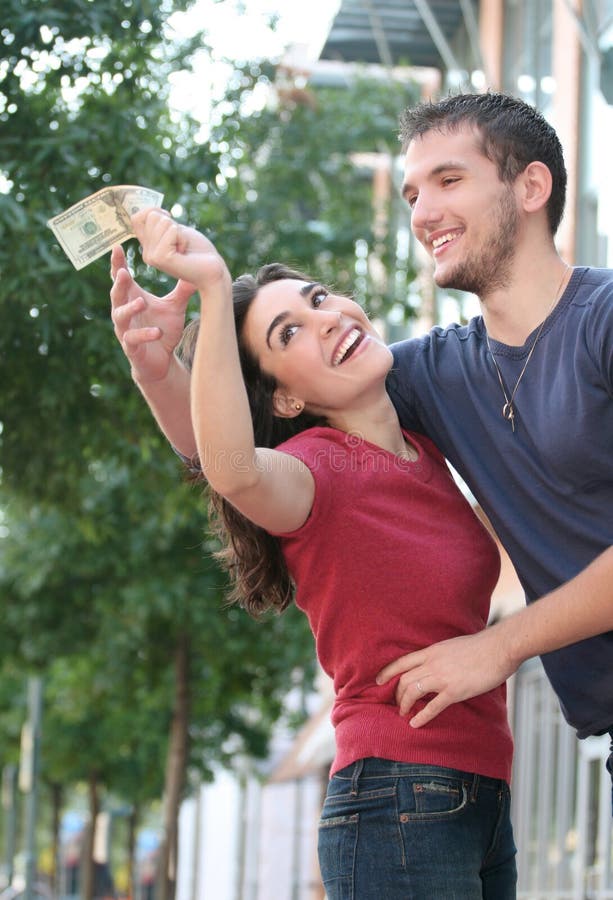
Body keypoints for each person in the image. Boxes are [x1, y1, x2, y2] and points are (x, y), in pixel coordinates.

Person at [116, 206, 517, 899]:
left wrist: (160, 370)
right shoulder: (312, 472)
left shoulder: (425, 454)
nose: (327, 317)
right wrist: (210, 295)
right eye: (289, 332)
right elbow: (232, 468)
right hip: (397, 796)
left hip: (479, 791)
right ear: (287, 398)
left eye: (319, 298)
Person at [374, 91, 613, 801]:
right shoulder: (431, 373)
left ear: (530, 187)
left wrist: (498, 647)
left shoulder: (603, 320)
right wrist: (159, 364)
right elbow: (238, 458)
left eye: (448, 181)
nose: (421, 214)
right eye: (412, 193)